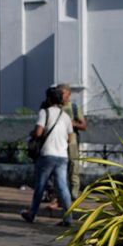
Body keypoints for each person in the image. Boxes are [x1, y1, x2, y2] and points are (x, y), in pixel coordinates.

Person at [21, 84, 82, 226]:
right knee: (62, 187)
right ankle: (67, 218)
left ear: (48, 99)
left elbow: (38, 133)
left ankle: (32, 214)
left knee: (40, 186)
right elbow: (70, 138)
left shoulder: (45, 113)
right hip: (62, 156)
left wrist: (32, 133)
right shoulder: (66, 116)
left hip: (47, 154)